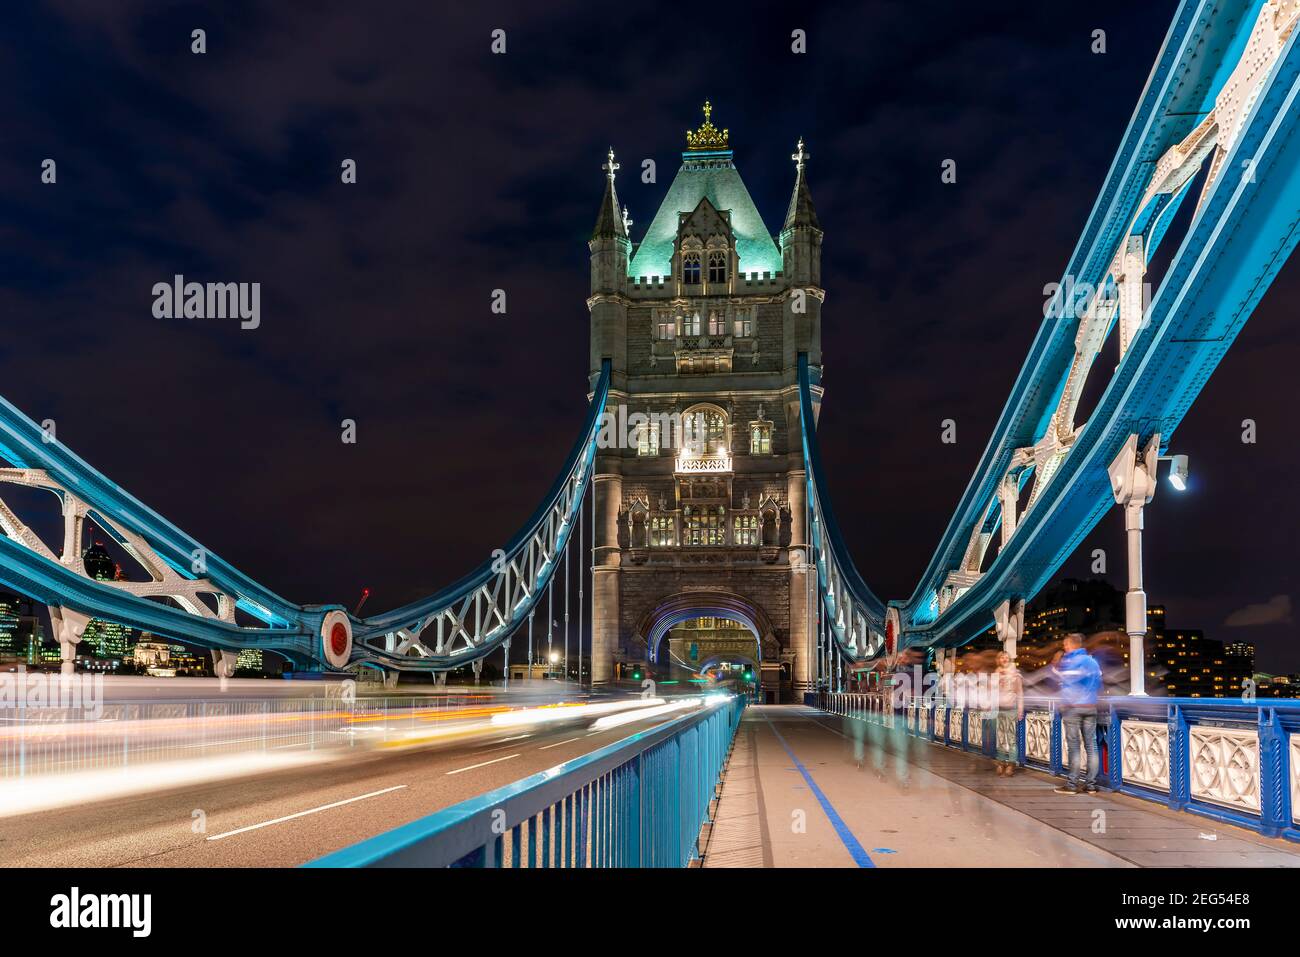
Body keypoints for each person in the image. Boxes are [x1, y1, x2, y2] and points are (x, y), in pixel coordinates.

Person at [1053, 633, 1102, 794]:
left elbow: (1066, 684)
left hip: (1073, 708)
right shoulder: (1092, 661)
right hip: (1091, 707)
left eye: (1065, 645)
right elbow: (1098, 682)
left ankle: (1072, 784)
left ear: (1071, 645)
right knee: (1091, 745)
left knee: (1074, 747)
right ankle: (1091, 785)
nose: (1064, 648)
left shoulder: (1070, 661)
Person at [992, 650, 1023, 776]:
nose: (1004, 659)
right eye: (1001, 657)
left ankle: (1011, 764)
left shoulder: (1016, 675)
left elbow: (1020, 693)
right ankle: (1000, 762)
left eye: (1006, 657)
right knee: (1000, 738)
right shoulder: (996, 674)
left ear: (1009, 660)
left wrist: (1020, 709)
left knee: (1011, 738)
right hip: (999, 709)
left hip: (1011, 709)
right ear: (998, 660)